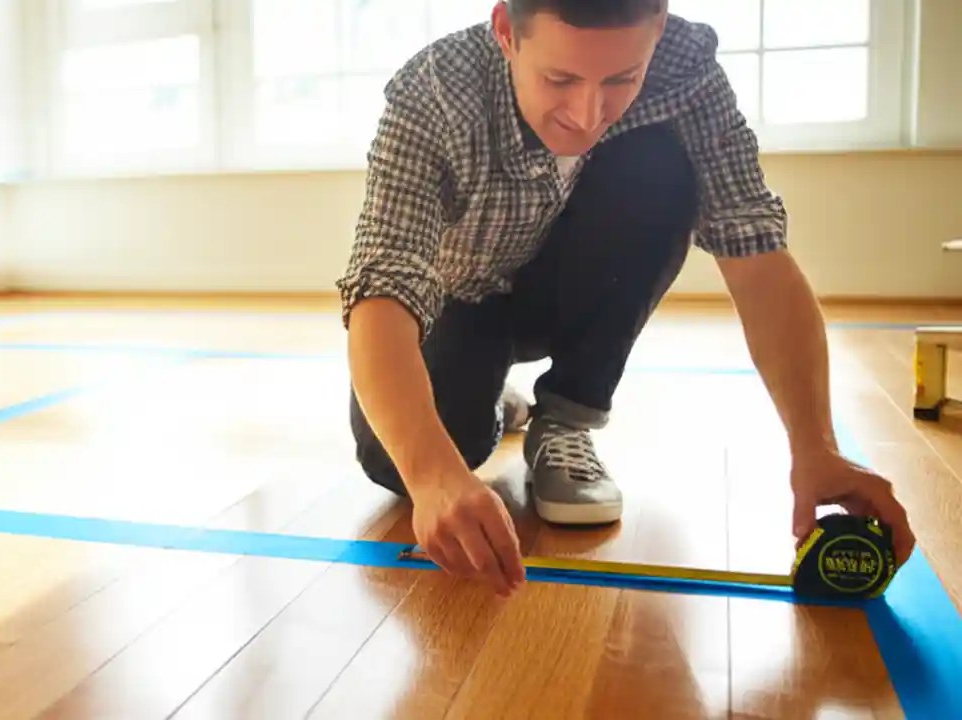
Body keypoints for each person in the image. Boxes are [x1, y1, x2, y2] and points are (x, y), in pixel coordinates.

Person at [337, 0, 916, 598]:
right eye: (559, 79)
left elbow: (756, 248)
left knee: (661, 167)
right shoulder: (434, 91)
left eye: (621, 79)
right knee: (398, 462)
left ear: (657, 31)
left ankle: (566, 418)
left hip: (574, 289)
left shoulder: (685, 67)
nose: (589, 115)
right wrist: (435, 477)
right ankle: (497, 406)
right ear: (507, 32)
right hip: (461, 301)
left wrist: (816, 448)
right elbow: (384, 283)